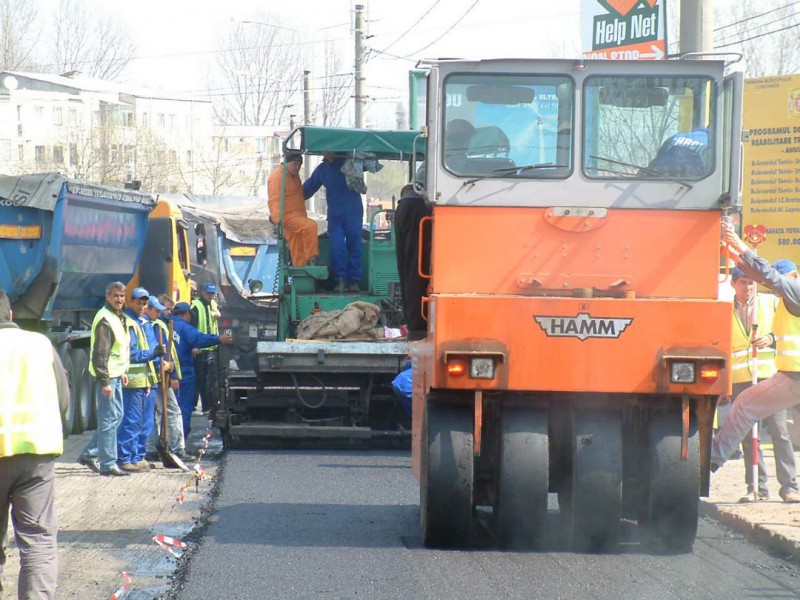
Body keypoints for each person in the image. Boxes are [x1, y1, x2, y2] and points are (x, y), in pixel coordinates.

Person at [714, 223, 800, 503]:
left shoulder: (793, 291)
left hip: (789, 376)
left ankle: (710, 461)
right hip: (779, 376)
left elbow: (768, 276)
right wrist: (737, 257)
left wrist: (740, 246)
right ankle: (761, 485)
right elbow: (764, 277)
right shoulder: (785, 298)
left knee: (749, 411)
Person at [0, 291, 70, 599]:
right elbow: (63, 400)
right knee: (38, 540)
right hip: (37, 455)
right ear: (10, 315)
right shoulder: (41, 344)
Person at [78, 281, 132, 477]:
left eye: (122, 296)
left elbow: (119, 349)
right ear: (107, 297)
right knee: (109, 419)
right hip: (107, 377)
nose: (119, 299)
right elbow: (100, 354)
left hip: (116, 374)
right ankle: (108, 464)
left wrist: (123, 371)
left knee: (116, 416)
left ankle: (89, 454)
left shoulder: (118, 316)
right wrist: (105, 381)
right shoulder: (105, 319)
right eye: (115, 296)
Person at [170, 302, 233, 438]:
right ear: (186, 314)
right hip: (183, 375)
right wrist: (219, 339)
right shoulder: (184, 327)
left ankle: (165, 441)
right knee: (182, 410)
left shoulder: (165, 325)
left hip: (166, 375)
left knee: (167, 411)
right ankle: (179, 442)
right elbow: (199, 339)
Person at [303, 152, 363, 293]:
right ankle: (340, 280)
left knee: (354, 245)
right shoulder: (323, 169)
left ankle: (353, 281)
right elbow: (308, 188)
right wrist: (290, 195)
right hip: (335, 215)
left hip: (353, 212)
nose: (327, 153)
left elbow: (365, 164)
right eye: (324, 151)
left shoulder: (350, 162)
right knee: (337, 247)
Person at [118, 288, 164, 473]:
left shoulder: (143, 322)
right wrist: (153, 353)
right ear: (131, 302)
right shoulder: (128, 323)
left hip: (146, 381)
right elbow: (131, 354)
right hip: (132, 382)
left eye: (144, 303)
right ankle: (125, 458)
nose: (142, 307)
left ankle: (137, 456)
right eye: (139, 303)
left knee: (145, 423)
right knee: (131, 422)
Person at [268, 150, 319, 268]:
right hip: (287, 217)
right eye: (295, 164)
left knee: (297, 245)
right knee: (310, 226)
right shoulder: (277, 177)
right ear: (286, 162)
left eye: (299, 164)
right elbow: (274, 199)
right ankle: (312, 259)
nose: (297, 167)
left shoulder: (293, 176)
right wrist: (277, 219)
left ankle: (300, 270)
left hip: (297, 217)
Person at [394, 183, 432, 341]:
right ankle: (418, 326)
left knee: (409, 266)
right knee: (419, 265)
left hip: (407, 204)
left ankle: (414, 324)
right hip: (420, 206)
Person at [191, 283, 220, 414]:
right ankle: (194, 406)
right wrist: (194, 346)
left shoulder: (213, 304)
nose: (210, 296)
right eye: (208, 293)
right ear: (202, 292)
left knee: (209, 380)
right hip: (200, 348)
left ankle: (207, 407)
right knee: (199, 379)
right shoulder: (196, 306)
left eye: (212, 293)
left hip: (210, 347)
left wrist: (217, 313)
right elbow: (192, 328)